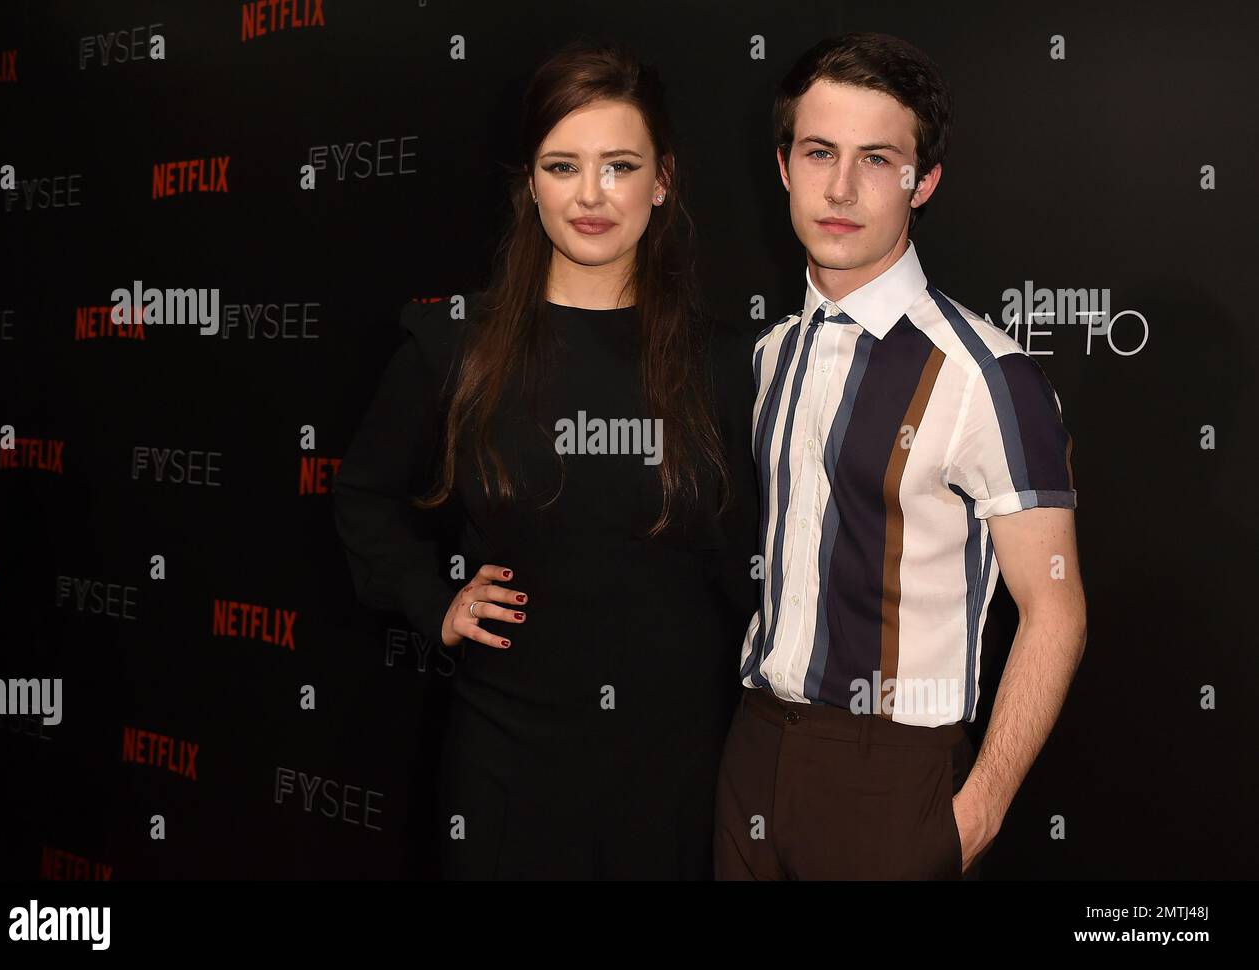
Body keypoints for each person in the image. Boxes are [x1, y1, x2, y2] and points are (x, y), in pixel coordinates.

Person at [333, 40, 759, 879]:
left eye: (620, 165)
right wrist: (432, 600)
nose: (591, 195)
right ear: (531, 184)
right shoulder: (457, 342)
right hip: (503, 755)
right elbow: (364, 495)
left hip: (680, 764)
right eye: (563, 166)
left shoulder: (731, 364)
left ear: (662, 181)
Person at [713, 32, 1088, 880]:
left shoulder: (987, 375)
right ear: (784, 167)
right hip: (753, 749)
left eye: (877, 159)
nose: (840, 188)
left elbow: (1056, 611)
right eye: (819, 152)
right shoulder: (771, 355)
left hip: (893, 778)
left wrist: (976, 811)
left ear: (924, 182)